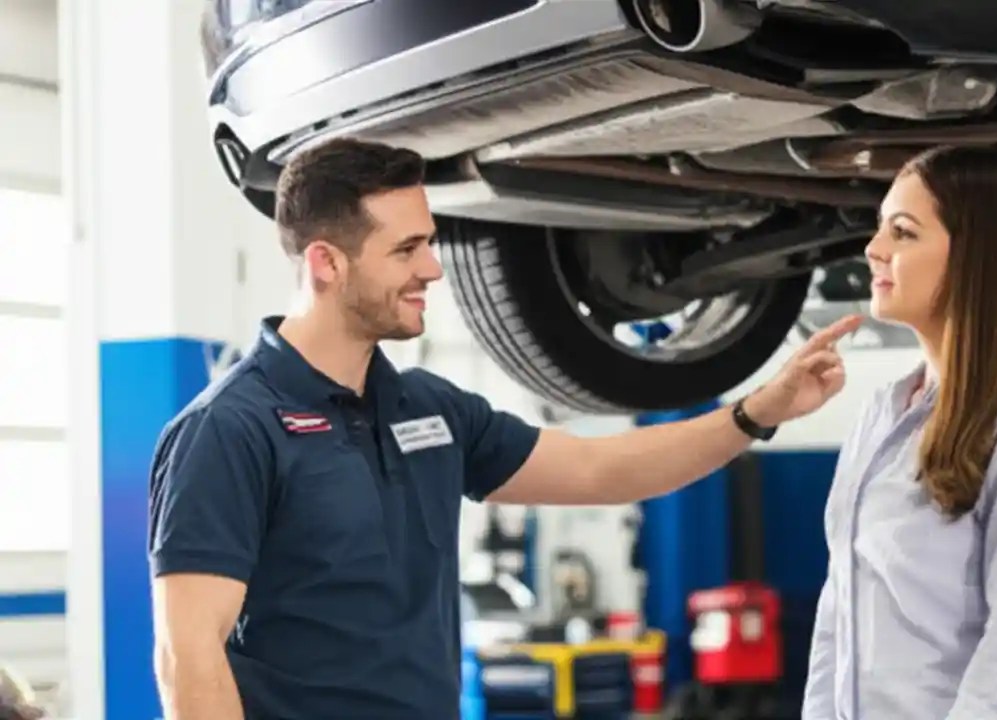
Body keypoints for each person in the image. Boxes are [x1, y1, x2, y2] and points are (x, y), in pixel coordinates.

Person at [146, 137, 862, 720]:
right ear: (326, 264)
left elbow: (601, 471)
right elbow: (187, 655)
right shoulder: (229, 429)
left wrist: (754, 414)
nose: (433, 267)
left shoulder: (426, 408)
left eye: (430, 243)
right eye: (406, 250)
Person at [802, 144, 997, 720]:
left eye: (903, 232)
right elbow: (840, 606)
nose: (874, 248)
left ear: (973, 257)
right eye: (879, 228)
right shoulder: (883, 413)